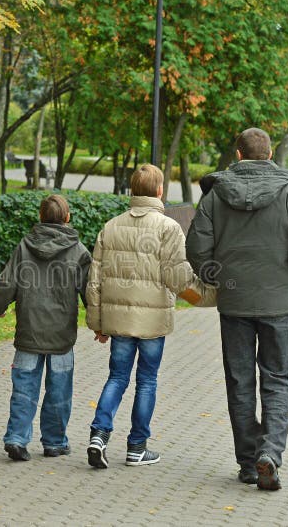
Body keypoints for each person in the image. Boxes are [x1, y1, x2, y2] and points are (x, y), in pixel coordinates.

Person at [185, 127, 288, 490]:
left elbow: (197, 247)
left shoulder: (215, 197)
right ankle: (270, 454)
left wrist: (215, 278)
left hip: (234, 304)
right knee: (277, 380)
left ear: (239, 155)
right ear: (270, 154)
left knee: (240, 382)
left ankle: (249, 463)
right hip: (278, 304)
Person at [86, 164, 215, 469]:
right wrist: (210, 297)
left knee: (116, 377)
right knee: (146, 381)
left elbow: (95, 279)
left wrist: (98, 323)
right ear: (159, 191)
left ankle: (98, 436)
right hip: (152, 323)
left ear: (132, 189)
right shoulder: (168, 228)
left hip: (118, 322)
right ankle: (137, 448)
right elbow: (178, 278)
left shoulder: (111, 226)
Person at [0, 194, 91, 461]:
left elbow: (6, 283)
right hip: (61, 336)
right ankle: (54, 442)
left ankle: (17, 438)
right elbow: (91, 292)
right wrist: (100, 324)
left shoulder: (24, 247)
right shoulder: (78, 251)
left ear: (40, 218)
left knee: (23, 389)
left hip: (28, 332)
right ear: (67, 218)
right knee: (59, 392)